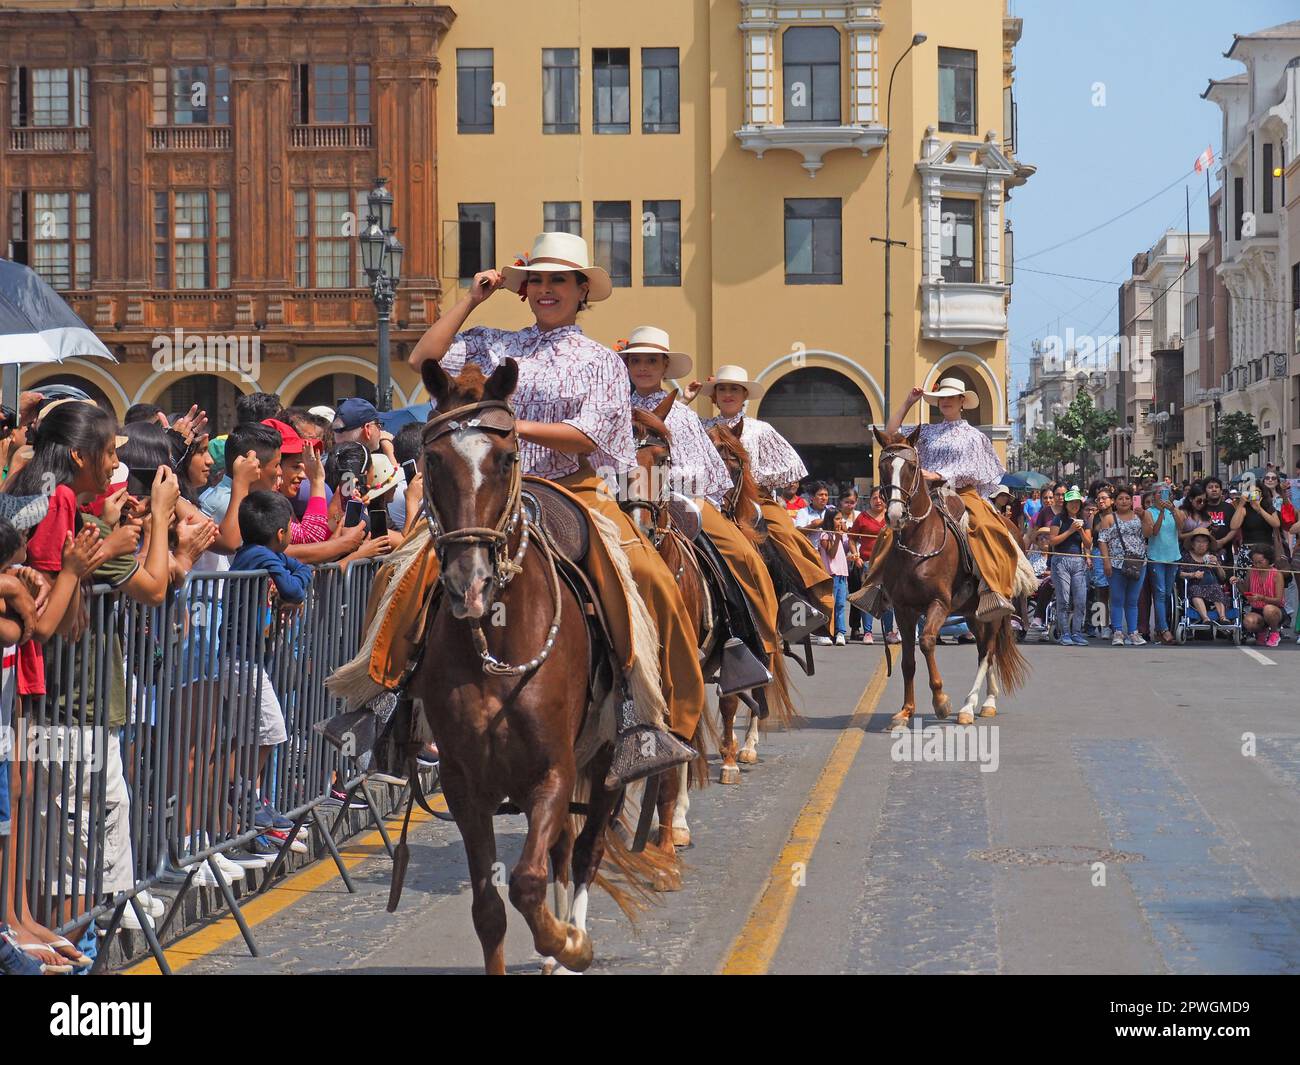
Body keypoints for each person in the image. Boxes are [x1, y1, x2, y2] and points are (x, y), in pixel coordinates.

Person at [402, 231, 698, 778]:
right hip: (489, 494)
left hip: (571, 489)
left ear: (582, 290)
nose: (545, 289)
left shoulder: (601, 361)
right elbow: (423, 358)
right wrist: (471, 300)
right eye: (536, 280)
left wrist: (507, 425)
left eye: (558, 280)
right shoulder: (494, 342)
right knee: (403, 569)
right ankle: (381, 706)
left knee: (647, 575)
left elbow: (588, 436)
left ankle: (648, 717)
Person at [618, 325, 784, 667]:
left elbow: (704, 472)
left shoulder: (683, 415)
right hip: (623, 500)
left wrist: (660, 479)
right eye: (636, 362)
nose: (644, 368)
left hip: (683, 502)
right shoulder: (615, 411)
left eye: (652, 361)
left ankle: (756, 647)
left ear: (665, 368)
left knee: (745, 556)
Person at [853, 379, 1031, 622]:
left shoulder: (973, 436)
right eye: (942, 397)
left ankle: (991, 589)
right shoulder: (926, 431)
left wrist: (939, 474)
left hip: (962, 492)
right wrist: (908, 402)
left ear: (961, 401)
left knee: (985, 527)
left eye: (951, 396)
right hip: (925, 493)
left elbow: (973, 467)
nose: (945, 401)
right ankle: (874, 587)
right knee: (889, 530)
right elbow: (891, 433)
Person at [698, 365, 835, 622]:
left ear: (744, 395)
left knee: (785, 532)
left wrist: (752, 479)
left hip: (755, 497)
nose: (728, 394)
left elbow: (790, 466)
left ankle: (803, 598)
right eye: (723, 389)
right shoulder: (701, 426)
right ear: (714, 396)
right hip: (711, 498)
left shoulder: (760, 429)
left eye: (734, 389)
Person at [229, 491, 313, 834]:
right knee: (273, 729)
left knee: (259, 731)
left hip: (249, 658)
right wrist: (303, 576)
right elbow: (293, 589)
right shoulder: (261, 556)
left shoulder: (255, 553)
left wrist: (298, 569)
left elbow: (294, 568)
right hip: (241, 659)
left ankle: (254, 796)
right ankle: (243, 791)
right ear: (281, 533)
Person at [1097, 486, 1151, 646]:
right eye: (1120, 498)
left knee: (1133, 600)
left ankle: (1133, 632)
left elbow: (1148, 534)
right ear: (1115, 501)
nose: (1124, 501)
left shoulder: (1139, 515)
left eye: (1128, 498)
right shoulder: (1109, 518)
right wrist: (1106, 561)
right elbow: (1102, 540)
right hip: (1116, 564)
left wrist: (1144, 516)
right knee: (1117, 599)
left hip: (1138, 563)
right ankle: (1118, 632)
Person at [851, 488, 896, 644]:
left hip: (889, 563)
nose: (878, 501)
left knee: (888, 598)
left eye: (882, 498)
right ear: (869, 500)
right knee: (868, 598)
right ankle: (868, 632)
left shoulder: (892, 517)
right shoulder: (862, 518)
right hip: (867, 563)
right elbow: (852, 539)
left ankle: (889, 631)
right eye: (875, 498)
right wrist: (856, 556)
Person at [1143, 484, 1185, 644]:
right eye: (1159, 493)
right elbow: (1153, 531)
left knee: (1167, 593)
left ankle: (1162, 626)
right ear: (1154, 496)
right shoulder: (1149, 512)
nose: (1163, 496)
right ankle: (1164, 629)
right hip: (1157, 557)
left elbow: (1181, 527)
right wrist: (1161, 512)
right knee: (1159, 593)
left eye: (1165, 493)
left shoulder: (1175, 510)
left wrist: (1172, 510)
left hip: (1173, 556)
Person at [1048, 487, 1090, 645]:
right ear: (1065, 504)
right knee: (1063, 599)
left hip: (1078, 561)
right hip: (1060, 560)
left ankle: (1077, 632)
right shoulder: (1058, 519)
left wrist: (1079, 531)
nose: (1074, 505)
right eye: (1071, 502)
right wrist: (1070, 530)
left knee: (1080, 600)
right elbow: (1053, 541)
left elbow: (1088, 544)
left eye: (1077, 502)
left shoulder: (1084, 521)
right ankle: (1065, 633)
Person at [1180, 527, 1230, 626]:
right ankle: (1205, 618)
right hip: (1194, 585)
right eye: (1198, 541)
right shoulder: (1185, 555)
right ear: (1192, 543)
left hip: (1212, 585)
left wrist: (1217, 564)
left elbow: (1223, 577)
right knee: (1195, 590)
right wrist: (1192, 575)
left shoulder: (1213, 555)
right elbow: (1179, 573)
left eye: (1204, 541)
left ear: (1208, 544)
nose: (1201, 544)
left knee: (1216, 589)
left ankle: (1223, 618)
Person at [817, 511, 852, 646]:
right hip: (831, 574)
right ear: (830, 520)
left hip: (842, 573)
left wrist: (844, 535)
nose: (840, 521)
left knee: (840, 604)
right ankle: (826, 632)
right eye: (837, 519)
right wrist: (837, 538)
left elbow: (842, 552)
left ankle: (840, 632)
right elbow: (831, 554)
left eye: (841, 519)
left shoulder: (841, 536)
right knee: (829, 604)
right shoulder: (825, 535)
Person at [1239, 544, 1284, 647]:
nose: (1257, 565)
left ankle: (1274, 633)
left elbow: (1278, 600)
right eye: (1254, 562)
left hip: (1276, 610)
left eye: (1260, 562)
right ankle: (1261, 632)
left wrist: (1261, 598)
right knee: (1248, 621)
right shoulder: (1251, 571)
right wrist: (1237, 583)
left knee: (1268, 609)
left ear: (1268, 560)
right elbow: (1246, 593)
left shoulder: (1277, 574)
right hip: (1257, 610)